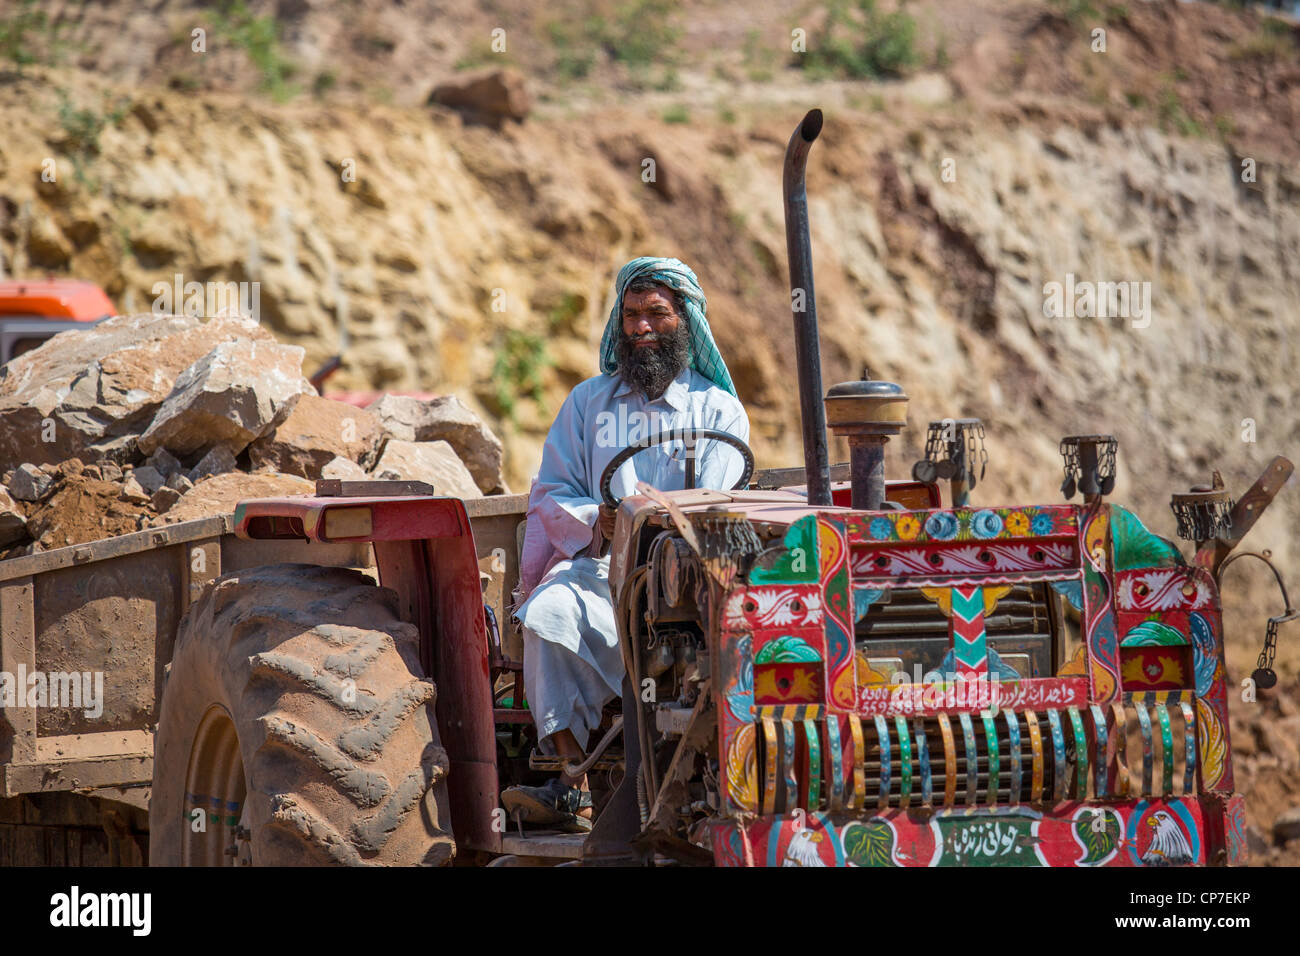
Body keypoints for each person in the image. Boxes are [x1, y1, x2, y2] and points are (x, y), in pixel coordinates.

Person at [500, 257, 750, 830]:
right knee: (549, 611)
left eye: (656, 314)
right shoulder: (588, 404)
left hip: (688, 578)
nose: (640, 328)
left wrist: (658, 526)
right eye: (631, 315)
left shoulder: (718, 410)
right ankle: (572, 780)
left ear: (685, 321)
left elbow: (721, 502)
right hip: (601, 570)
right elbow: (552, 492)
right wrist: (601, 521)